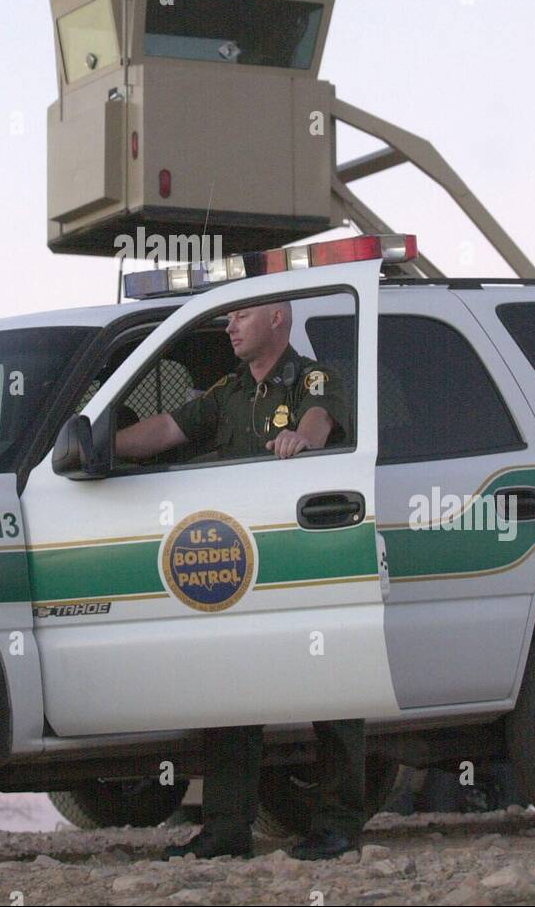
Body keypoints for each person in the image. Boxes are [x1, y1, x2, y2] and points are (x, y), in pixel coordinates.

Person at [115, 298, 367, 861]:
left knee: (333, 690)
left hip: (305, 557)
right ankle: (228, 828)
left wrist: (302, 439)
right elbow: (165, 429)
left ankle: (339, 826)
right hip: (243, 564)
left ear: (278, 319)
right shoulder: (228, 390)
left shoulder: (312, 377)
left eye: (241, 316)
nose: (229, 325)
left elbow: (318, 421)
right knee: (232, 690)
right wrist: (96, 444)